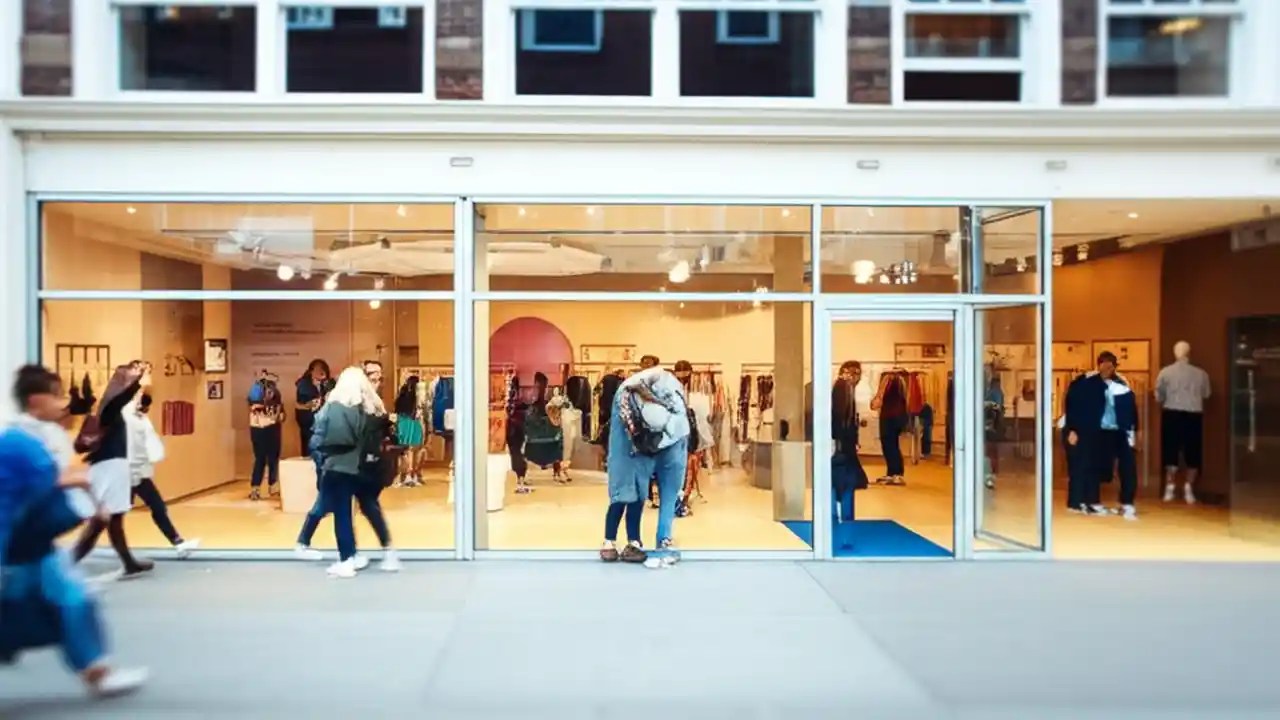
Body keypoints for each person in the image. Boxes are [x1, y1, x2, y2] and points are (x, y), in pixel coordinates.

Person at [1, 365, 148, 696]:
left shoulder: (38, 436)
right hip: (14, 549)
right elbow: (27, 493)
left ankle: (97, 671)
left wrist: (89, 498)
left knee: (75, 599)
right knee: (34, 609)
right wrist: (84, 487)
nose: (63, 401)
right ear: (37, 400)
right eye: (57, 395)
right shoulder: (18, 442)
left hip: (37, 548)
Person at [304, 365, 400, 578]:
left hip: (341, 467)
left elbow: (325, 439)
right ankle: (388, 551)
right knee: (371, 508)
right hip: (368, 468)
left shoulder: (336, 407)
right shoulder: (374, 406)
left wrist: (322, 462)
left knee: (342, 512)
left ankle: (347, 558)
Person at [71, 362, 153, 578]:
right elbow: (121, 399)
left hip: (112, 466)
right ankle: (67, 564)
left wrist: (138, 385)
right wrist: (137, 383)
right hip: (110, 468)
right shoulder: (110, 407)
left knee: (113, 519)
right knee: (102, 521)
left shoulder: (109, 407)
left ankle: (128, 562)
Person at [606, 364, 690, 570]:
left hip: (639, 447)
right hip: (668, 440)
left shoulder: (626, 392)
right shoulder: (672, 391)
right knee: (649, 496)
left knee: (629, 494)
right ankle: (658, 539)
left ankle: (622, 541)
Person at [1063, 351, 1139, 520]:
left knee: (1125, 466)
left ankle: (1126, 502)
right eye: (1104, 364)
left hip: (1117, 430)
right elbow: (1073, 405)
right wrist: (1073, 429)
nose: (1107, 368)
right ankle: (1085, 501)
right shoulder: (1086, 383)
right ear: (1099, 365)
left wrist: (1132, 431)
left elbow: (1131, 409)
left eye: (1111, 365)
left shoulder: (1122, 384)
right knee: (1088, 465)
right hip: (1093, 430)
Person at [125, 393, 200, 557]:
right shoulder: (125, 414)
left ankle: (178, 542)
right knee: (112, 516)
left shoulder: (142, 419)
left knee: (158, 506)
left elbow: (150, 445)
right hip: (125, 472)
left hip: (139, 473)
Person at [831, 361, 867, 523]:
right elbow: (840, 417)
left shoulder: (843, 387)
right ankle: (844, 516)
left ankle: (839, 514)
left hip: (842, 442)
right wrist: (844, 442)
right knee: (845, 481)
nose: (857, 377)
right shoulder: (842, 388)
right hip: (842, 444)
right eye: (855, 373)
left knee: (840, 480)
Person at [248, 373, 285, 501]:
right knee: (273, 458)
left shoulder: (253, 397)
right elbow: (280, 415)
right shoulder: (276, 394)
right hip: (272, 428)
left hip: (256, 429)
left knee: (260, 459)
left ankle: (255, 488)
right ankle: (273, 487)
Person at [295, 359, 332, 467]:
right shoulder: (304, 385)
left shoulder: (328, 384)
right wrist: (310, 405)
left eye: (323, 370)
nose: (320, 372)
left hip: (326, 425)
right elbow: (300, 405)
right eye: (317, 370)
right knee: (309, 453)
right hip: (308, 424)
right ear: (311, 371)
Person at [393, 375, 426, 487]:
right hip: (413, 423)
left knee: (405, 450)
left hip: (402, 423)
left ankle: (405, 475)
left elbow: (397, 409)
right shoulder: (417, 398)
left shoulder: (402, 396)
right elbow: (420, 412)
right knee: (415, 449)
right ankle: (412, 475)